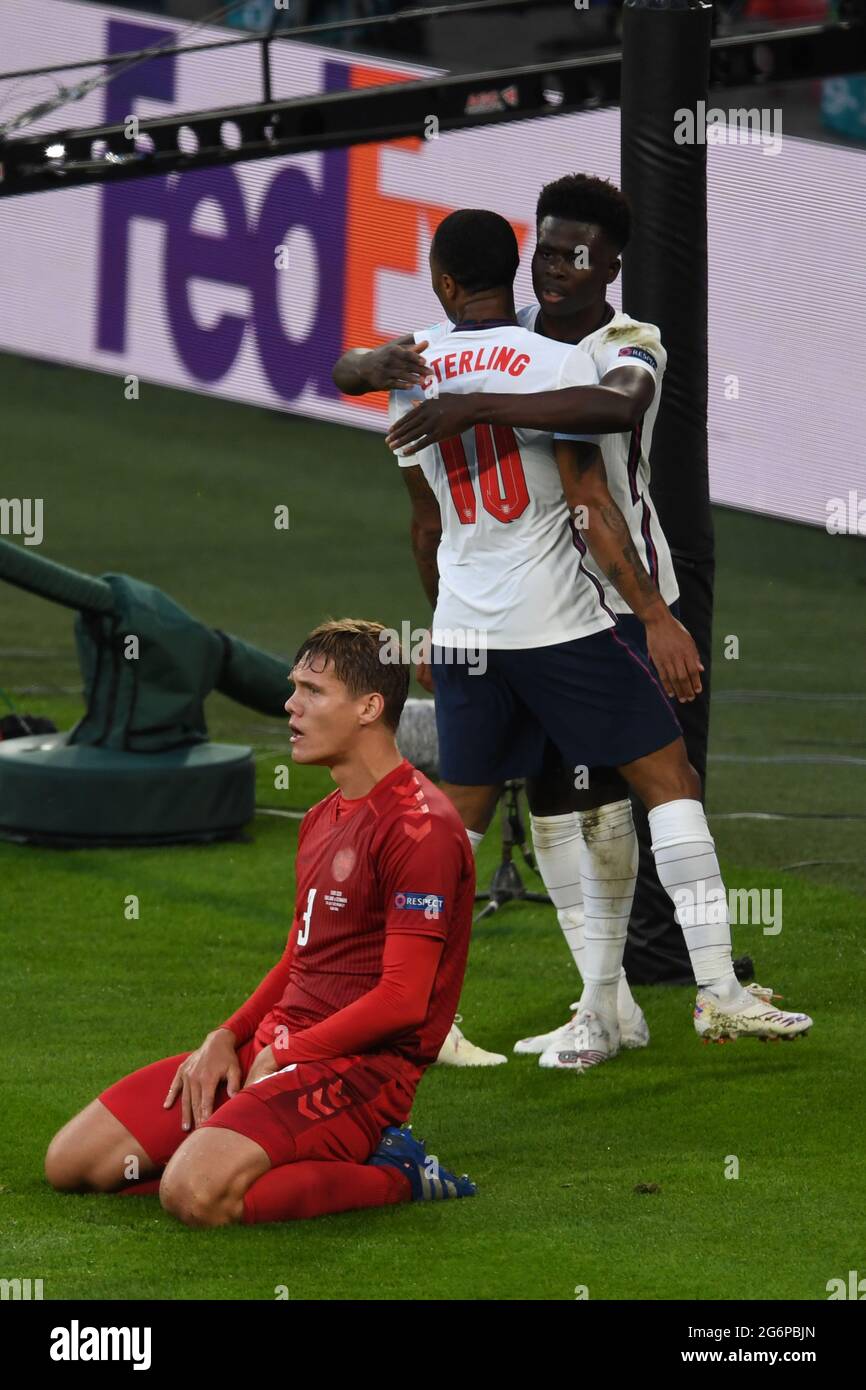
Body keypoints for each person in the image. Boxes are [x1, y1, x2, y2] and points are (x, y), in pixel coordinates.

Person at [383, 207, 811, 1070]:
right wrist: (654, 615)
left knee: (457, 826)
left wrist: (439, 621)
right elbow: (589, 504)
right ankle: (717, 990)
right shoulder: (554, 361)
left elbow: (425, 527)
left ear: (441, 280)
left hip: (467, 625)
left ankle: (423, 1016)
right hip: (559, 621)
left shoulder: (413, 366)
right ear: (521, 266)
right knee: (667, 777)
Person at [44, 619, 477, 1225]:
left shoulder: (420, 828)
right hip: (278, 1046)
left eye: (311, 691)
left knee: (194, 1194)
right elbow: (300, 959)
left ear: (369, 707)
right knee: (74, 1163)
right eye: (293, 687)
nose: (290, 706)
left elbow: (403, 1002)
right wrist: (228, 1035)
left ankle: (396, 1174)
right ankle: (247, 1150)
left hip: (360, 1074)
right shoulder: (322, 817)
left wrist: (292, 1049)